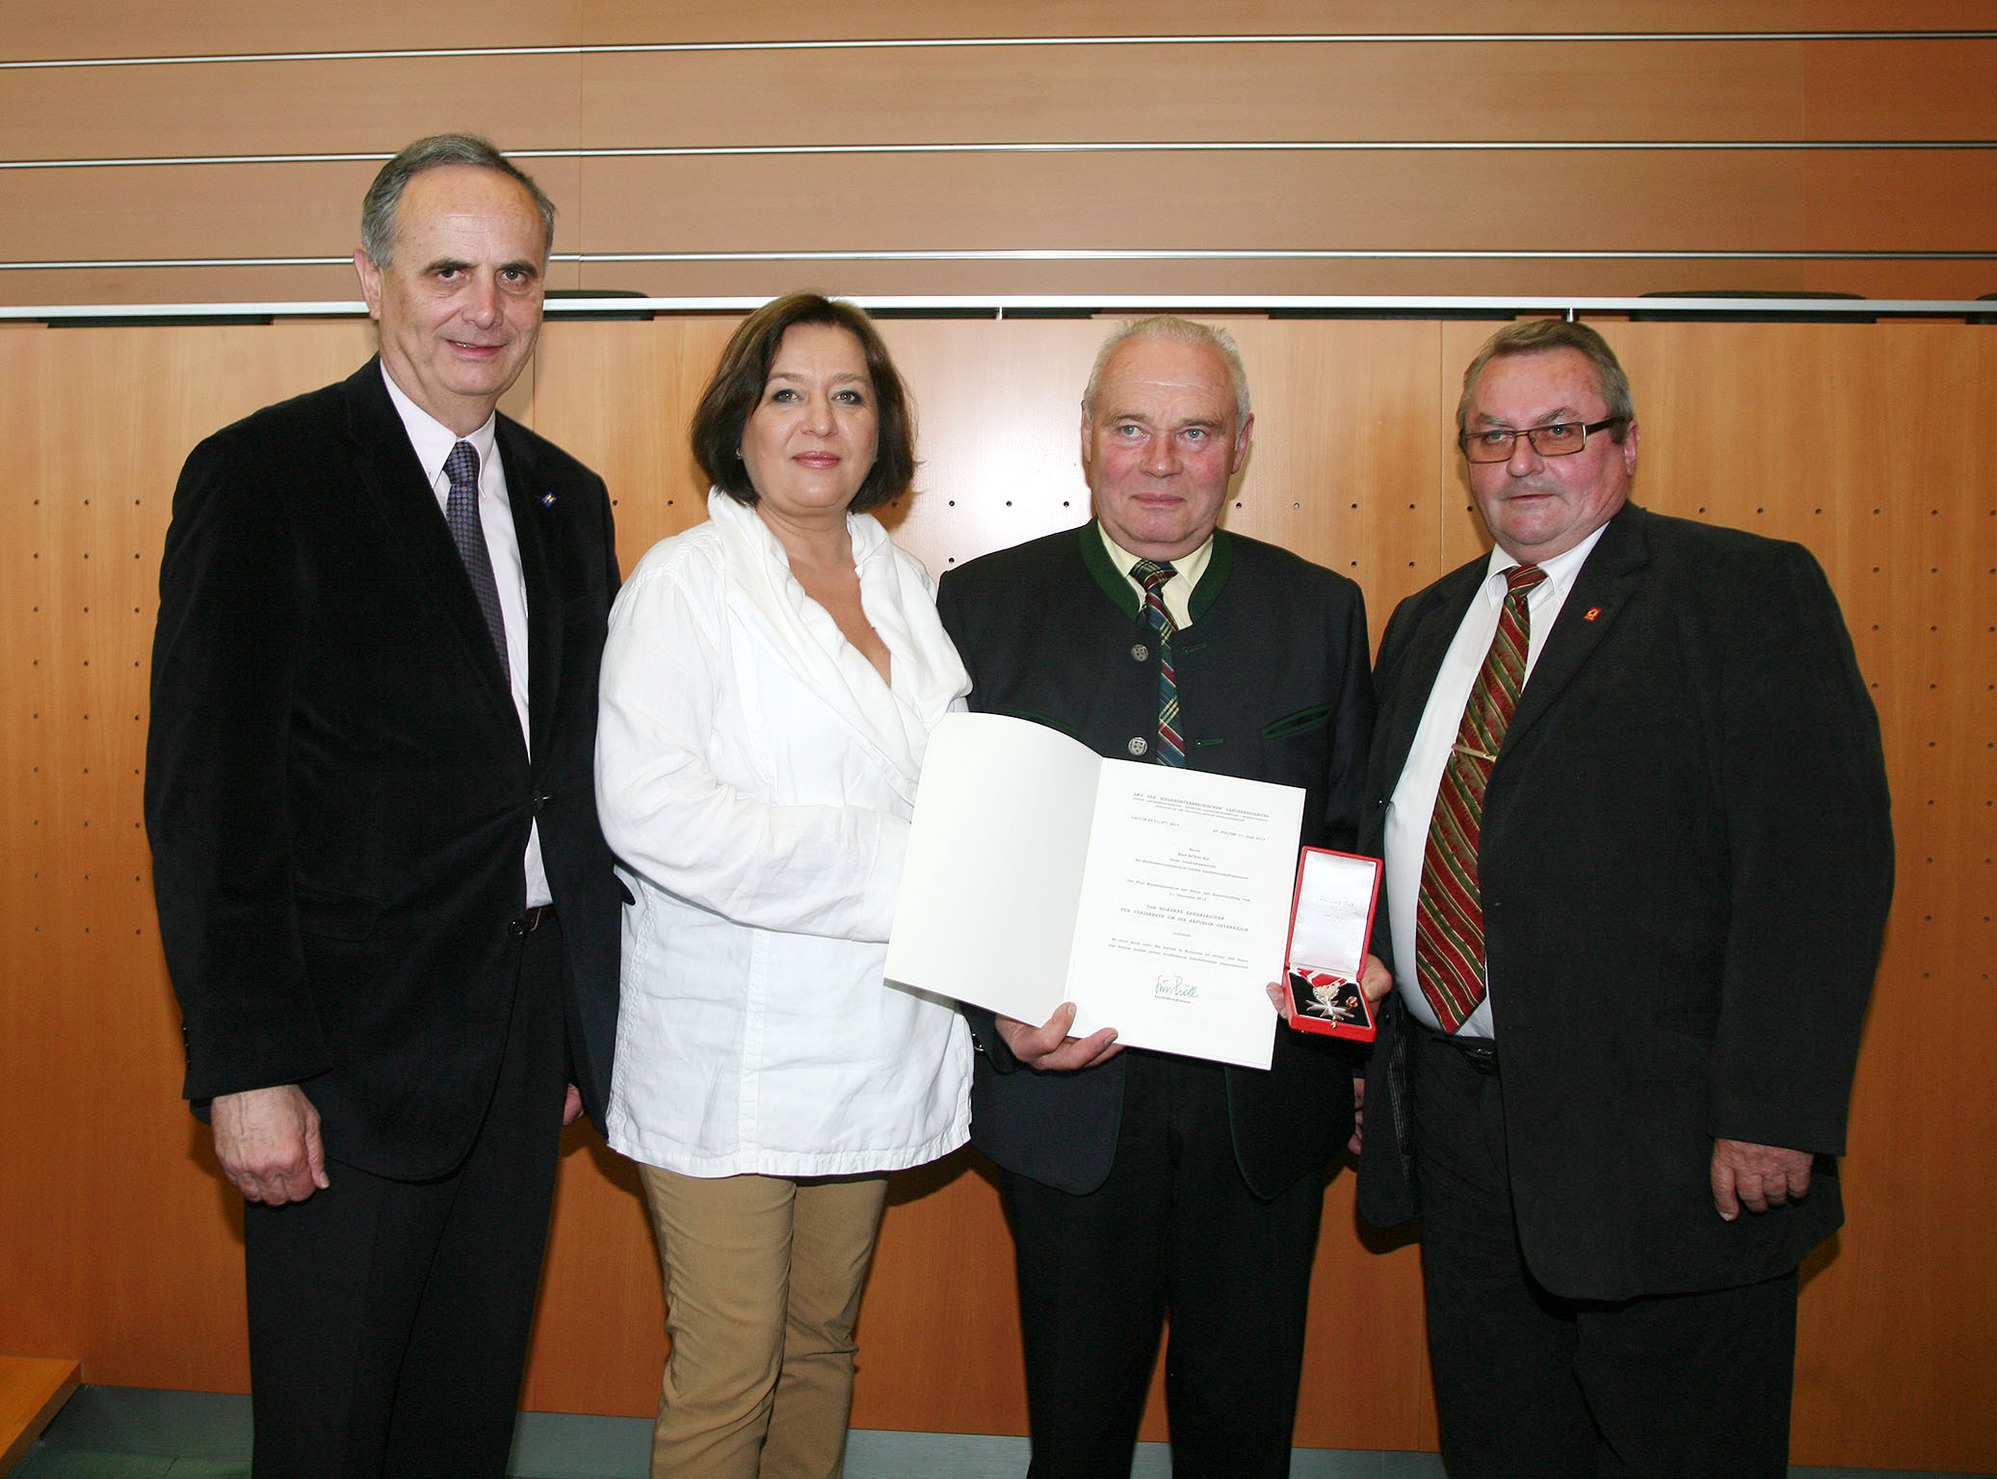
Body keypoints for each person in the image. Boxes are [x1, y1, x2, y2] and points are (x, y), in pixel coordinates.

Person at [144, 135, 621, 1476]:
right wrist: (247, 1065)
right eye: (450, 269)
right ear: (370, 278)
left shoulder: (564, 498)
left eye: (518, 275)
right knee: (332, 1431)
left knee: (463, 1423)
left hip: (522, 1042)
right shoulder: (264, 476)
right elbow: (211, 802)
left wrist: (581, 1024)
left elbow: (568, 783)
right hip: (339, 1056)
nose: (487, 308)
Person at [1355, 318, 1893, 1476]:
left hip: (1665, 1149)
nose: (1521, 462)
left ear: (1626, 442)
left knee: (1679, 1448)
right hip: (1459, 1129)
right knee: (1500, 1444)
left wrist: (1772, 1111)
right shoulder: (1424, 623)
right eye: (1490, 436)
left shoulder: (1739, 592)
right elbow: (1391, 852)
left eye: (1559, 429)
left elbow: (1818, 870)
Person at [935, 316, 1376, 1478]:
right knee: (1073, 1439)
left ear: (1240, 447)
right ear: (1085, 440)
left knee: (1241, 1441)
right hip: (1068, 1102)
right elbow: (953, 859)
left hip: (1264, 1114)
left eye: (1194, 431)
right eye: (1131, 428)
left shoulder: (1318, 611)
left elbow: (1345, 844)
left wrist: (1339, 1015)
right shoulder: (980, 609)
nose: (1161, 461)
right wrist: (997, 1023)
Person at [595, 293, 973, 1478]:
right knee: (728, 1366)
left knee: (819, 1345)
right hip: (734, 1052)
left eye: (849, 395)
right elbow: (652, 814)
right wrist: (892, 864)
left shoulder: (903, 583)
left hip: (874, 1028)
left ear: (881, 429)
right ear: (740, 423)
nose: (821, 421)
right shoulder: (685, 582)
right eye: (787, 393)